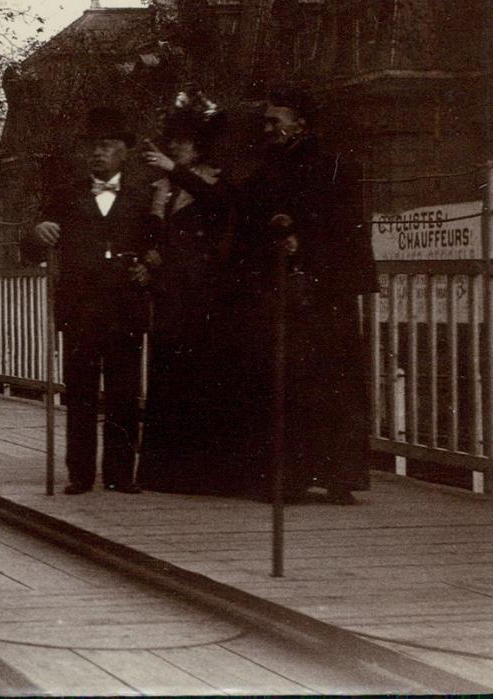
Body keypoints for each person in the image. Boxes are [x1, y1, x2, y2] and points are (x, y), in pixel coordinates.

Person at [234, 88, 377, 504]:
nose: (268, 129)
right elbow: (248, 220)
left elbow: (348, 228)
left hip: (326, 291)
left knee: (334, 383)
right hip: (283, 290)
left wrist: (304, 241)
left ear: (301, 122)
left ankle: (339, 476)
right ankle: (291, 476)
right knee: (288, 382)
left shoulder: (335, 167)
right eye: (265, 122)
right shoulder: (265, 170)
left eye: (275, 120)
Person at [33, 108, 155, 495]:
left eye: (107, 146)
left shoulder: (142, 197)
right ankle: (80, 474)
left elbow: (158, 244)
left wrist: (151, 266)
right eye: (93, 147)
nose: (97, 153)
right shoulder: (66, 196)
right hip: (81, 308)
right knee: (81, 393)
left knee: (124, 393)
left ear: (124, 153)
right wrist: (39, 231)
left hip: (124, 308)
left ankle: (121, 473)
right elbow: (31, 241)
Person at [136, 93, 240, 495]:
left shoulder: (212, 181)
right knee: (168, 376)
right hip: (170, 292)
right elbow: (153, 231)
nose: (175, 146)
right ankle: (166, 471)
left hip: (205, 295)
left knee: (202, 378)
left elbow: (220, 207)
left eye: (184, 140)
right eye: (173, 139)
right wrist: (150, 250)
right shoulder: (163, 186)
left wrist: (173, 171)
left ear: (199, 144)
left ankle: (205, 473)